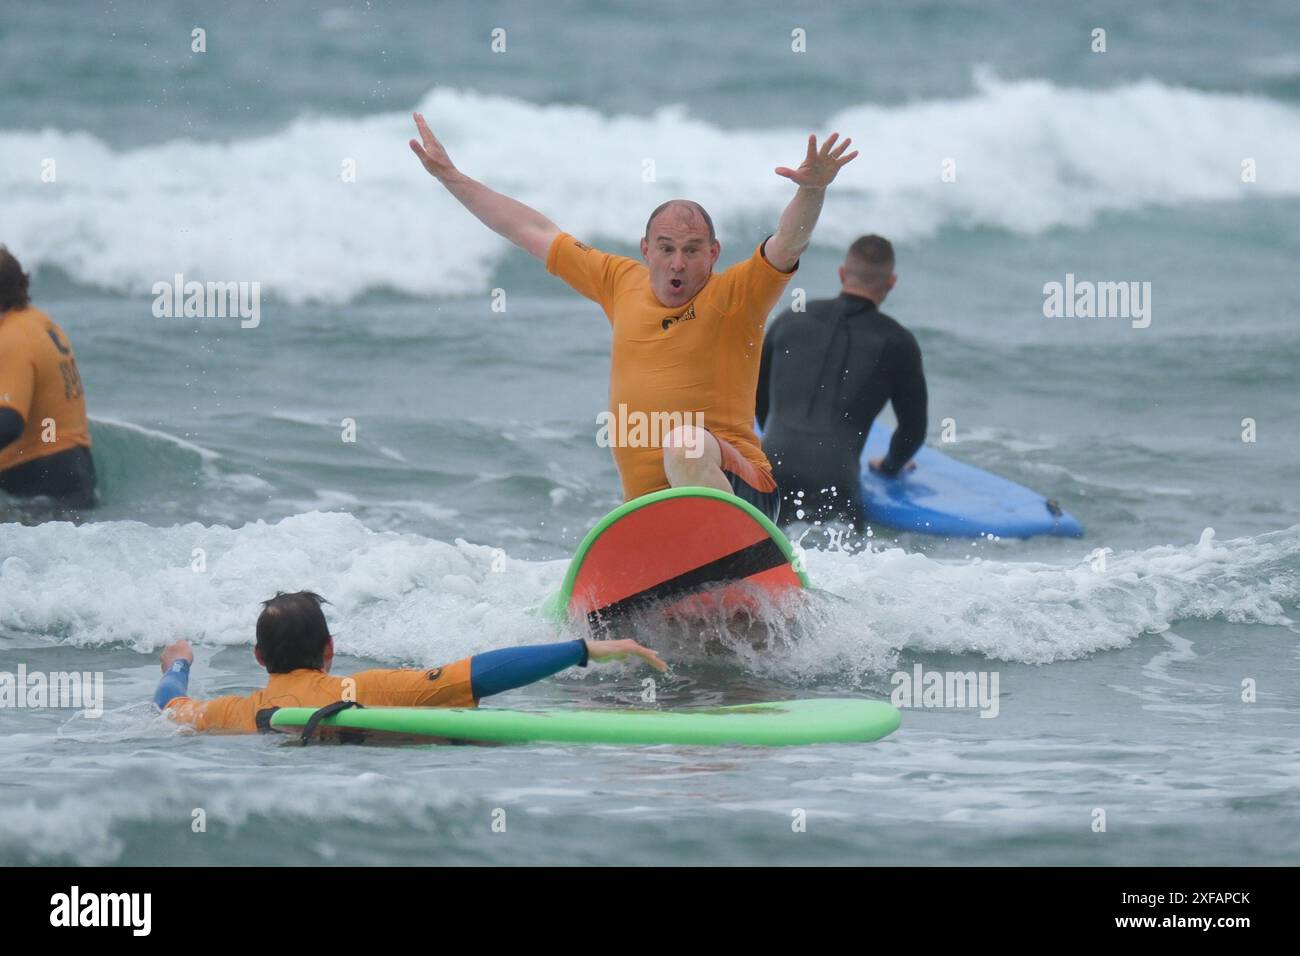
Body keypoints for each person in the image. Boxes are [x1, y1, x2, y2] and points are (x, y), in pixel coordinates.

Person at [408, 114, 857, 522]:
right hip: (652, 515)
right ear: (646, 251)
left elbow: (787, 243)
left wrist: (812, 188)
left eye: (692, 250)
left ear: (713, 253)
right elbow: (531, 230)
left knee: (684, 444)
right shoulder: (619, 282)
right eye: (666, 249)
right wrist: (451, 177)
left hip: (742, 493)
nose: (678, 263)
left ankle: (731, 551)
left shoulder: (737, 295)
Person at [155, 591, 666, 733]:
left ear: (260, 657)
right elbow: (482, 673)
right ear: (329, 650)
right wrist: (581, 649)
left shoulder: (232, 714)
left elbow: (170, 705)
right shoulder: (365, 690)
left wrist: (177, 663)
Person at [756, 235, 927, 531]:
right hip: (835, 480)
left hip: (771, 468)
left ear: (842, 274)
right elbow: (913, 431)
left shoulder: (790, 319)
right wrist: (890, 465)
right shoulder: (898, 342)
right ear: (891, 282)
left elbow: (757, 400)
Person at [0, 246, 97, 511]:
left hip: (43, 486)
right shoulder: (37, 323)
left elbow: (9, 423)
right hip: (72, 474)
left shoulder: (13, 339)